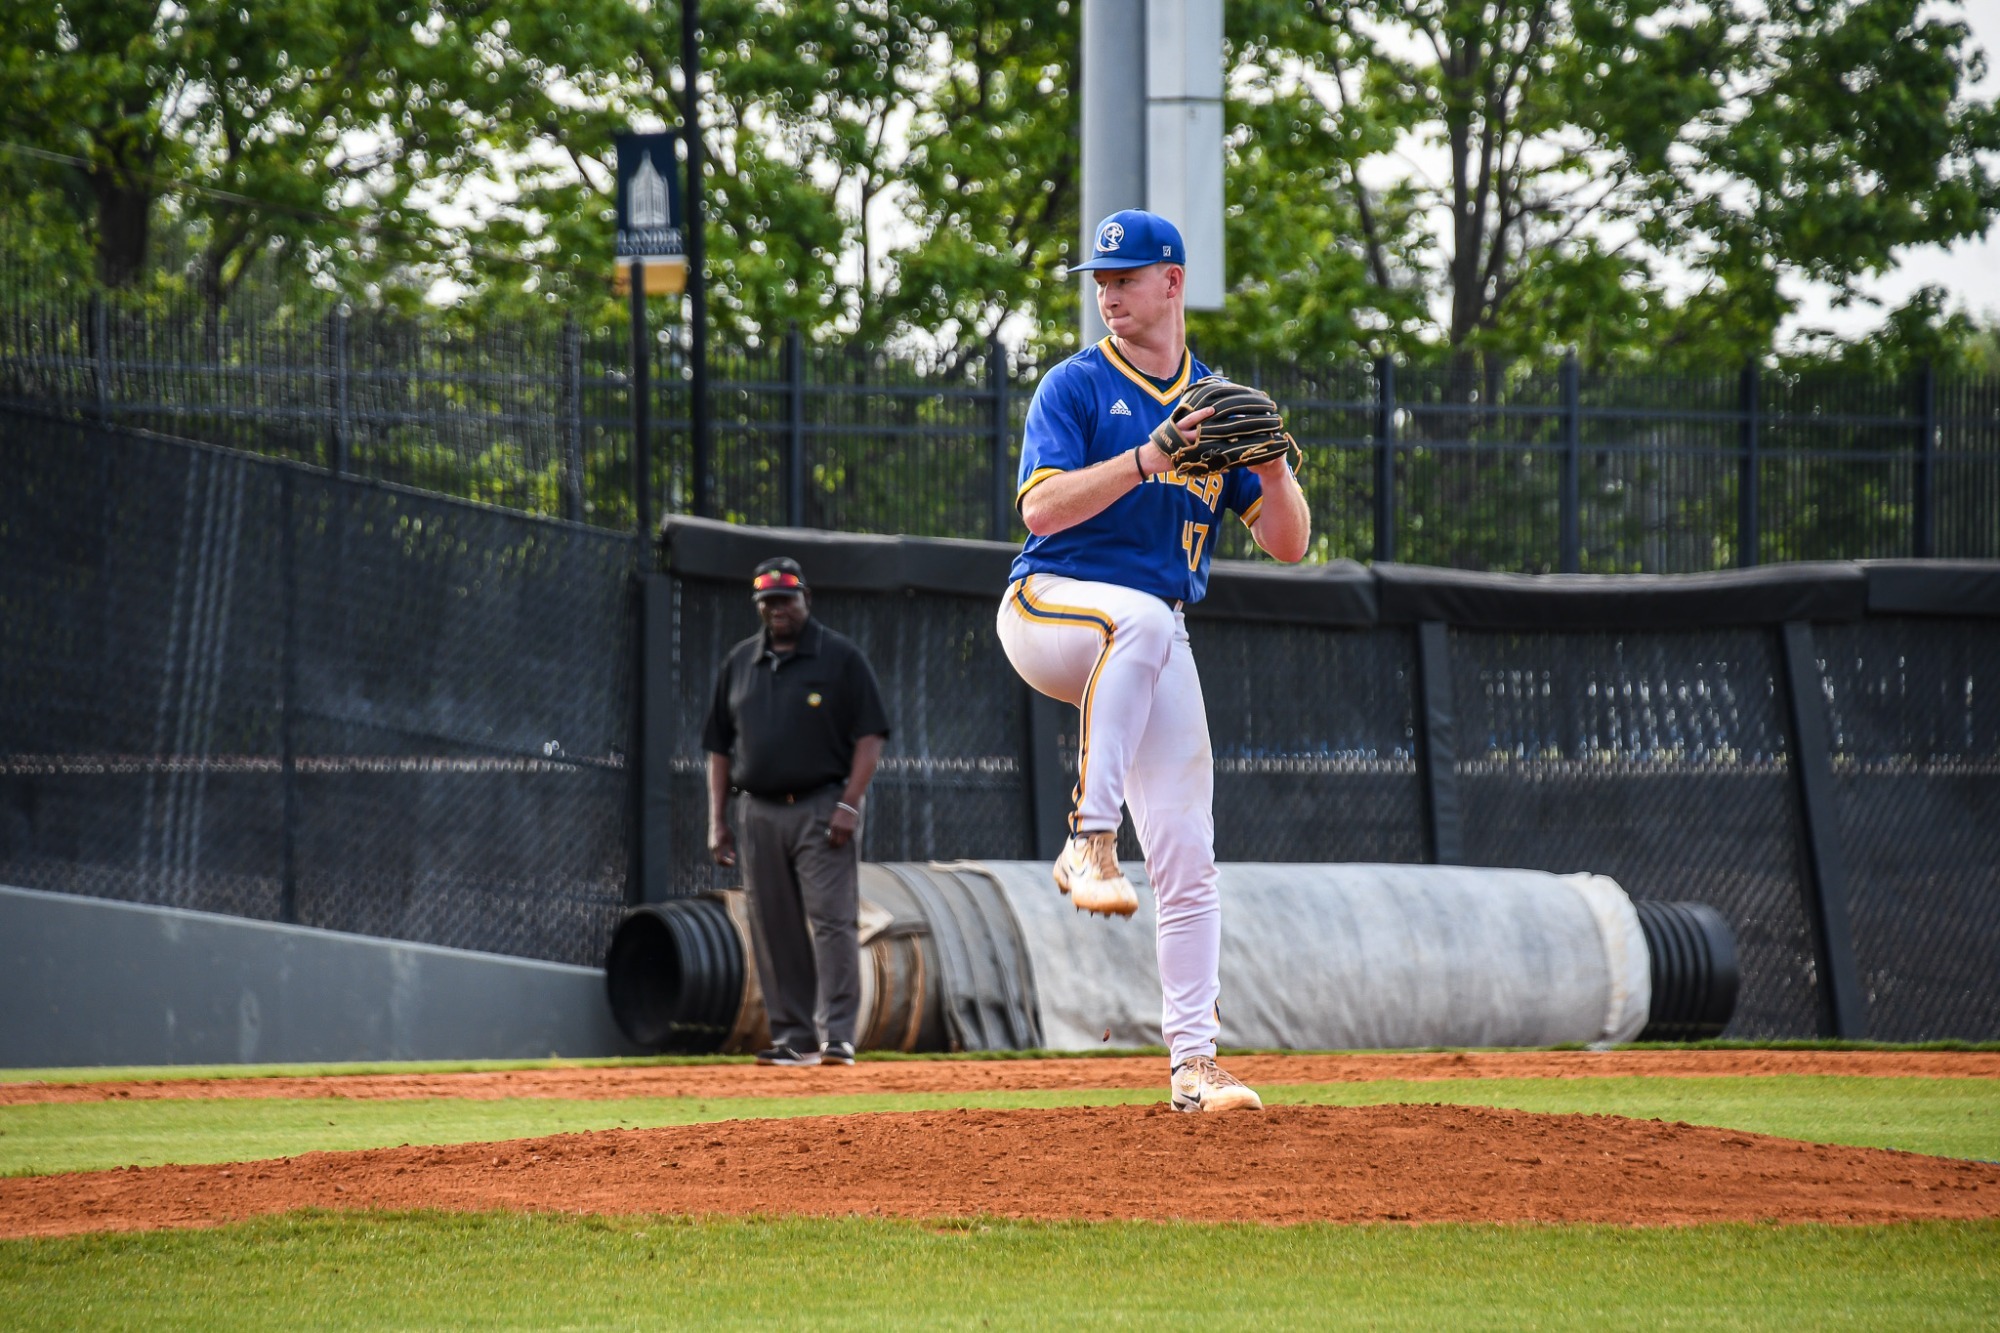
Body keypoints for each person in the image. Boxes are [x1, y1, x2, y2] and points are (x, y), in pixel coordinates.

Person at [998, 209, 1311, 1113]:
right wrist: (1148, 457)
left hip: (1152, 633)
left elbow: (1289, 544)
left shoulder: (1217, 402)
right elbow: (1042, 512)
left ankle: (1194, 1065)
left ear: (1172, 283)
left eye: (1125, 277)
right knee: (1133, 620)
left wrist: (1276, 469)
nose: (1108, 293)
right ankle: (1088, 838)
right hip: (1050, 609)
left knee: (1187, 852)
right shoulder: (1076, 386)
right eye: (1100, 279)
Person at [703, 557, 890, 1068]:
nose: (777, 608)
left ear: (806, 599)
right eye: (767, 601)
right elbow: (719, 748)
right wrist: (717, 820)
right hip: (758, 811)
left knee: (831, 923)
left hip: (822, 808)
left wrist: (850, 802)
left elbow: (870, 736)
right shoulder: (740, 662)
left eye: (786, 598)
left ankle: (839, 1037)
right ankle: (795, 1037)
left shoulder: (840, 658)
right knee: (772, 923)